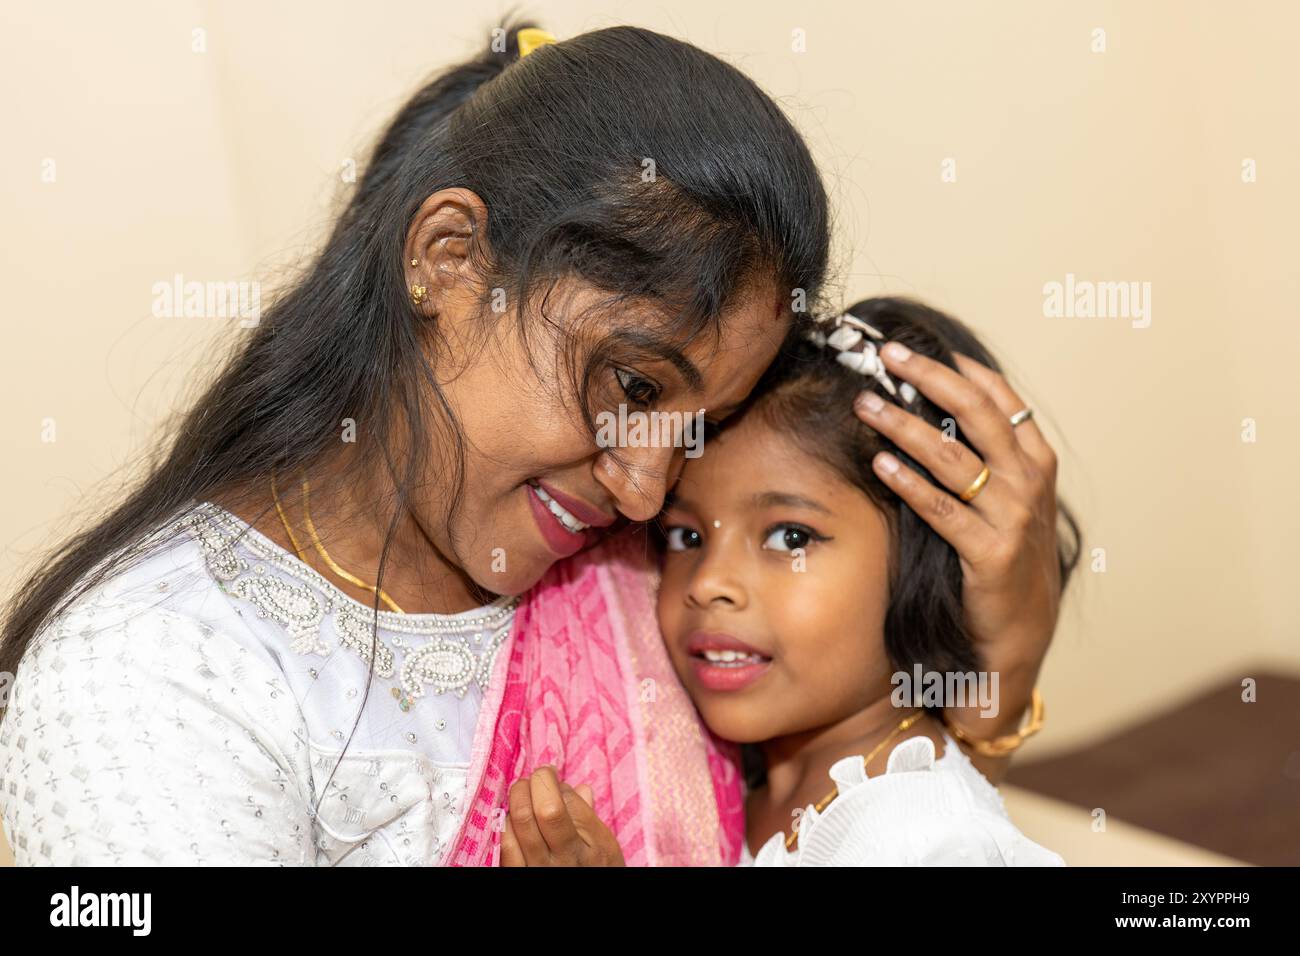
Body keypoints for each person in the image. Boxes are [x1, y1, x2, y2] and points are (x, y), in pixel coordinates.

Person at [0, 23, 1066, 867]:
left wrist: (995, 669)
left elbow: (832, 810)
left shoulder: (632, 567)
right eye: (631, 383)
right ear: (450, 260)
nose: (648, 493)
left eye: (687, 429)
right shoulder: (151, 677)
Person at [500, 298, 1079, 866]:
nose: (709, 584)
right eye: (686, 538)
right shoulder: (738, 790)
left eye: (791, 539)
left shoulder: (930, 837)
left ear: (932, 559)